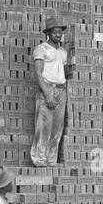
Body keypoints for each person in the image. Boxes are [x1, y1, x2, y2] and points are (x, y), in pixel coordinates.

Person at [30, 17, 70, 166]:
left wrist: (62, 91)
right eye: (55, 32)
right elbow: (38, 73)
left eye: (60, 32)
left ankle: (51, 161)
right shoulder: (42, 49)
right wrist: (47, 93)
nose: (58, 35)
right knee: (43, 127)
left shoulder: (63, 52)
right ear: (48, 33)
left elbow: (62, 72)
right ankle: (39, 160)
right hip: (47, 89)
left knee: (57, 129)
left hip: (60, 90)